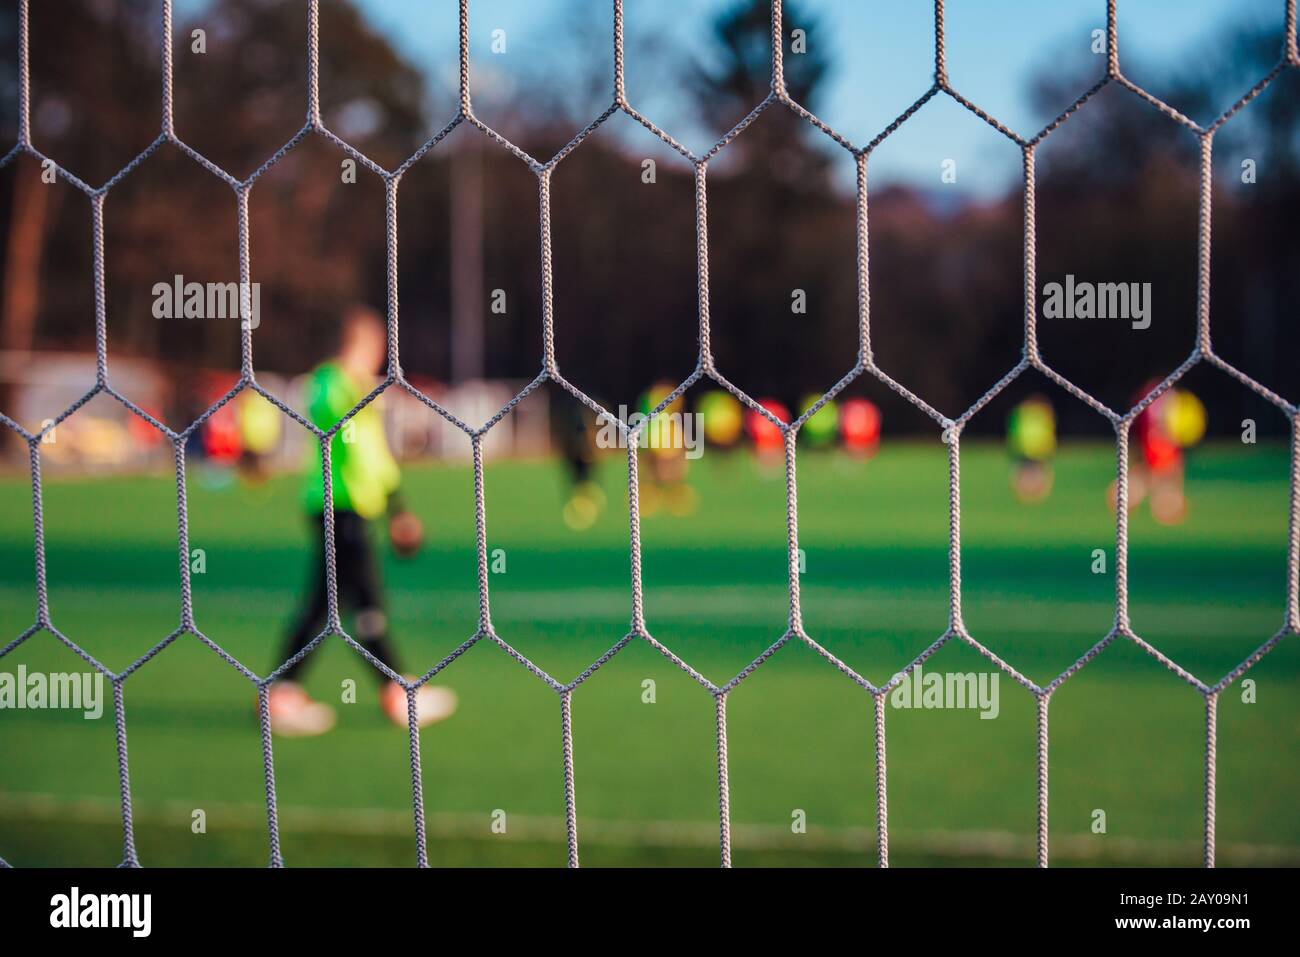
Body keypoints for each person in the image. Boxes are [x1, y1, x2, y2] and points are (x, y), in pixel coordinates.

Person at [268, 305, 456, 736]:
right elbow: (341, 430)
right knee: (359, 605)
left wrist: (398, 508)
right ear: (361, 345)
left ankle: (284, 693)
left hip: (357, 508)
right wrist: (363, 394)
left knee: (328, 605)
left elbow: (376, 456)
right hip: (337, 508)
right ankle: (395, 694)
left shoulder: (357, 389)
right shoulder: (330, 383)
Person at [1006, 395, 1056, 503]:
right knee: (1030, 471)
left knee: (1031, 471)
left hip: (1030, 446)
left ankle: (1031, 494)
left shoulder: (1027, 412)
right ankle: (1030, 494)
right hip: (1034, 447)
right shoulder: (1038, 413)